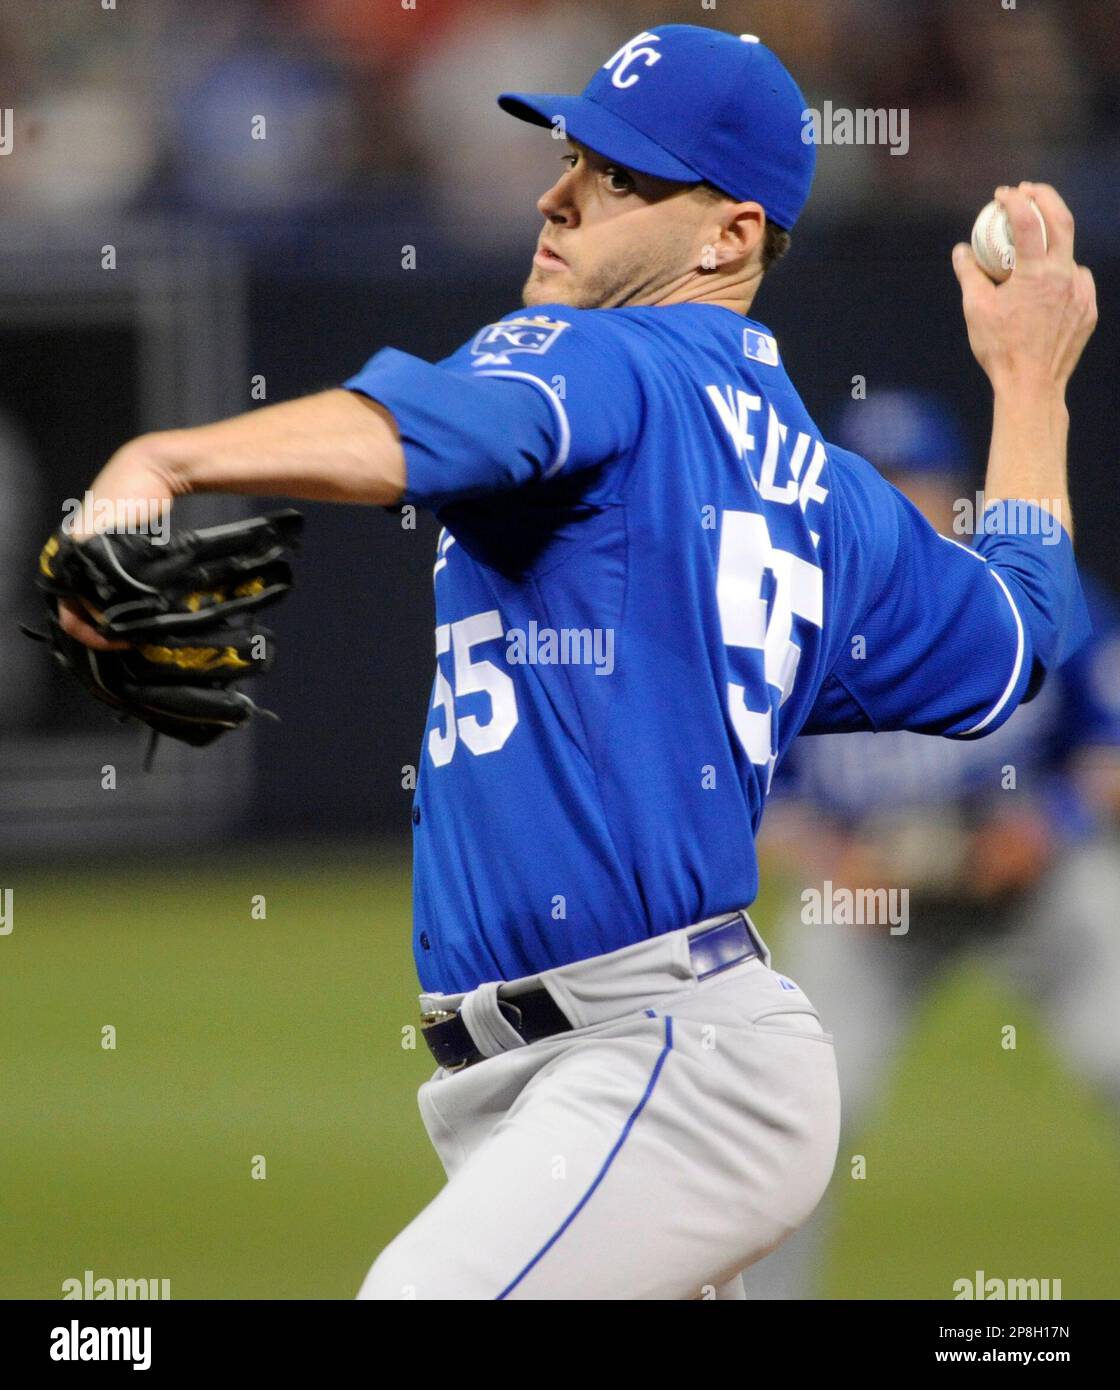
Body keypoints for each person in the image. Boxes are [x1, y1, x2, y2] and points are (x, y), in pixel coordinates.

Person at [54, 26, 1096, 1299]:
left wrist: (171, 458)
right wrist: (1029, 383)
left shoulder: (601, 355)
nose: (557, 193)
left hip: (660, 1064)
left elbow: (416, 433)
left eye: (616, 175)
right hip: (587, 1080)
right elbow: (1022, 630)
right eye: (572, 154)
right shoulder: (834, 501)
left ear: (726, 236)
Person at [740, 390, 1120, 1300]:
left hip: (1040, 887)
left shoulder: (1030, 591)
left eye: (918, 482)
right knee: (795, 1122)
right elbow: (749, 796)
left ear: (959, 496)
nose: (904, 504)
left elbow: (1108, 750)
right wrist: (840, 866)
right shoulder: (782, 617)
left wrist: (1051, 827)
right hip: (872, 906)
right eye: (880, 486)